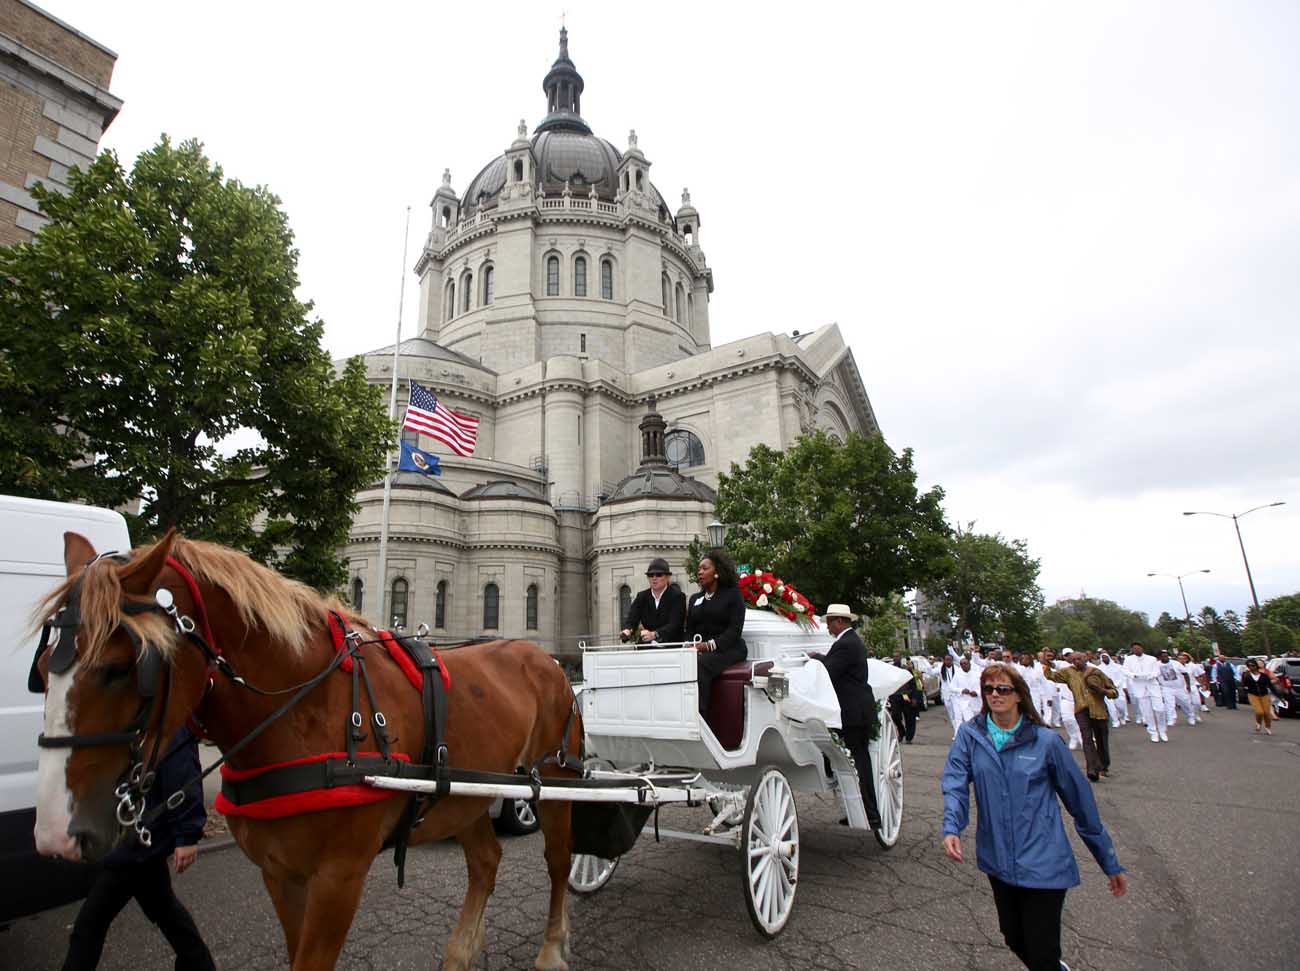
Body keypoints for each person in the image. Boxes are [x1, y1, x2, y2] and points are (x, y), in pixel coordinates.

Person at [941, 663, 1127, 971]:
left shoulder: (1045, 742)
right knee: (1013, 937)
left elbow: (1081, 804)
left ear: (1018, 696)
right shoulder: (970, 736)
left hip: (1044, 859)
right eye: (989, 689)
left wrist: (1109, 862)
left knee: (1041, 953)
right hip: (998, 857)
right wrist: (952, 827)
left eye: (1003, 689)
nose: (995, 695)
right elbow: (955, 783)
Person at [62, 728, 215, 971]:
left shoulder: (167, 723)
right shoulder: (128, 716)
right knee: (168, 914)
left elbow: (182, 775)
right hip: (131, 840)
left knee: (89, 925)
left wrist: (186, 836)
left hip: (139, 844)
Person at [809, 603, 882, 829]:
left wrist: (814, 661)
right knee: (855, 759)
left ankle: (870, 813)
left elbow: (830, 671)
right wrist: (820, 657)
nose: (828, 626)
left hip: (853, 712)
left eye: (830, 622)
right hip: (856, 709)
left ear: (840, 621)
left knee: (858, 761)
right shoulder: (849, 642)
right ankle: (862, 810)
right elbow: (833, 663)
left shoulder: (845, 644)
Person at [684, 548, 747, 715]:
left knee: (701, 664)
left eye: (705, 568)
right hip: (700, 650)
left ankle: (699, 715)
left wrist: (707, 646)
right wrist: (690, 646)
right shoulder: (695, 599)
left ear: (717, 572)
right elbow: (689, 629)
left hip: (729, 648)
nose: (700, 572)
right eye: (699, 569)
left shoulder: (733, 595)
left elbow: (734, 631)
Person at [1045, 651, 1118, 782]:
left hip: (1099, 710)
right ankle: (1092, 769)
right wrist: (1046, 662)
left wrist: (1103, 691)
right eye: (1074, 660)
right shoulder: (1068, 672)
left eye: (1079, 659)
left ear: (1085, 658)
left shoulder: (1096, 672)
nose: (1077, 662)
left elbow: (1114, 691)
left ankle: (1103, 765)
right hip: (1081, 709)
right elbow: (1050, 675)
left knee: (1101, 739)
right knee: (1087, 737)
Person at [620, 556, 686, 645]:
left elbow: (675, 624)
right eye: (650, 575)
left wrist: (655, 634)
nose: (654, 578)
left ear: (668, 577)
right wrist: (628, 630)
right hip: (648, 645)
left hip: (670, 646)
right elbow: (632, 618)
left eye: (659, 575)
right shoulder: (641, 597)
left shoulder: (678, 596)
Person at [1124, 641, 1168, 742]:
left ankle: (1162, 731)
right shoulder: (1128, 659)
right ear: (1132, 650)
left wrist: (1150, 676)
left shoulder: (1151, 659)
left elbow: (1157, 671)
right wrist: (1133, 675)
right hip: (1139, 686)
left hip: (1152, 685)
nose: (1136, 650)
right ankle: (1153, 732)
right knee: (1147, 712)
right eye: (1134, 649)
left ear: (1142, 648)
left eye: (1138, 648)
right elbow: (1125, 671)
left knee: (1160, 709)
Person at [889, 658, 923, 744]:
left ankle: (909, 737)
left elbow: (914, 686)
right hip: (896, 697)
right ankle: (901, 731)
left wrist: (914, 698)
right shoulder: (892, 673)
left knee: (910, 718)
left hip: (908, 696)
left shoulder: (908, 672)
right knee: (895, 716)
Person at [1241, 659, 1275, 735]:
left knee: (1267, 712)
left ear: (1256, 666)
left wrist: (1281, 698)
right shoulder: (1247, 675)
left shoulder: (1264, 676)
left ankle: (1267, 727)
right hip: (1253, 695)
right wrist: (1245, 690)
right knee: (1259, 711)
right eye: (1249, 666)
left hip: (1264, 695)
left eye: (1252, 665)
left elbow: (1271, 686)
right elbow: (1244, 685)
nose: (1251, 667)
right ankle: (1258, 723)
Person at [1097, 652, 1129, 727]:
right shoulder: (1099, 668)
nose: (1105, 659)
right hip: (1107, 690)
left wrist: (1116, 685)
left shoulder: (1117, 667)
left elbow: (1121, 677)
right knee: (1111, 707)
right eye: (1103, 658)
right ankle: (1115, 721)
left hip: (1118, 688)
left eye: (1106, 657)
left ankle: (1122, 717)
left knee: (1121, 705)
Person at [950, 655, 982, 726]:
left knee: (979, 723)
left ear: (969, 664)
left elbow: (983, 687)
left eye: (965, 663)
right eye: (961, 664)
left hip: (977, 702)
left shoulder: (977, 674)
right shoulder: (957, 675)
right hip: (965, 703)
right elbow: (951, 687)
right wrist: (961, 690)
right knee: (970, 722)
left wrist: (977, 692)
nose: (963, 665)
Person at [939, 653, 962, 737]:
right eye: (946, 659)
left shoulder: (957, 669)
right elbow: (930, 671)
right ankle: (956, 730)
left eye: (950, 659)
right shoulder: (940, 669)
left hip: (956, 695)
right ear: (944, 661)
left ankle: (957, 733)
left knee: (957, 714)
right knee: (951, 715)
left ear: (952, 660)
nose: (948, 661)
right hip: (947, 695)